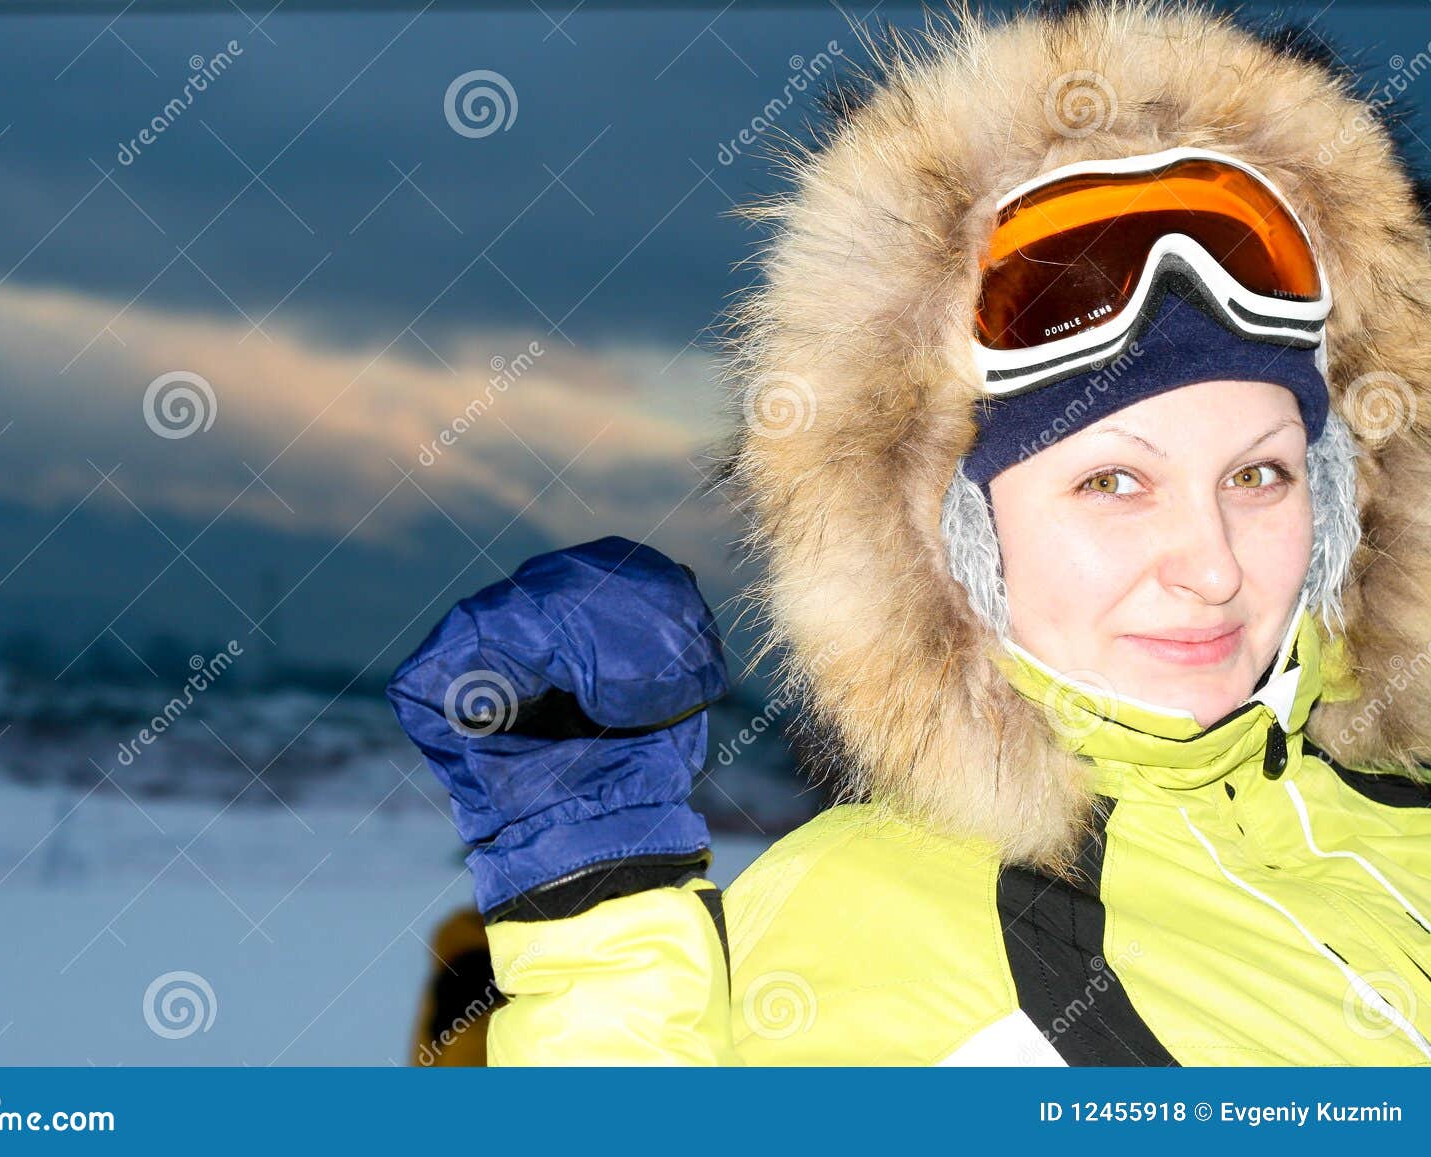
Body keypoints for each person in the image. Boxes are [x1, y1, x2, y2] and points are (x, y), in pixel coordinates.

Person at [387, 0, 1431, 1064]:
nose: (1211, 566)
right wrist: (596, 926)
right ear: (943, 535)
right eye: (1112, 480)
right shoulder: (863, 935)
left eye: (1259, 473)